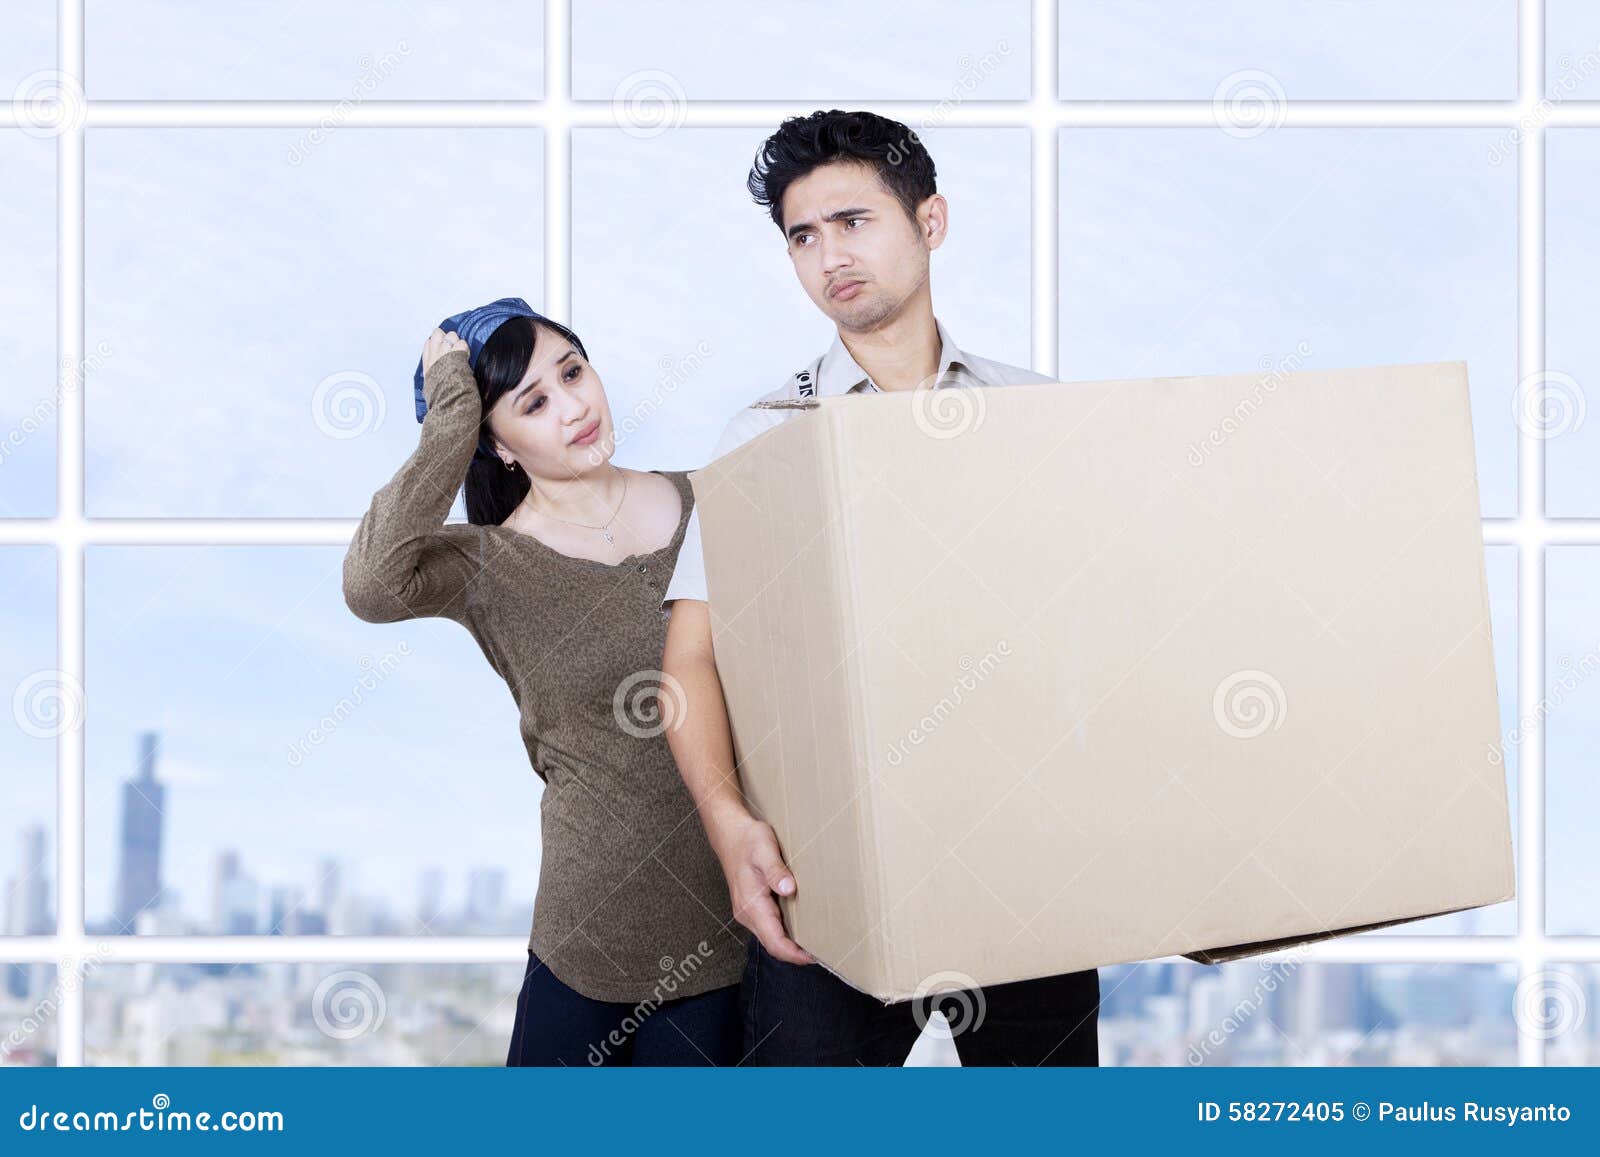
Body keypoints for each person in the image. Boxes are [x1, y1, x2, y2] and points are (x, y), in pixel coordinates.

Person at [659, 111, 1101, 1065]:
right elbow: (690, 657)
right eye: (803, 237)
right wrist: (729, 826)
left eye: (853, 221)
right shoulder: (764, 436)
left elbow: (1103, 625)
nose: (830, 256)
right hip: (826, 868)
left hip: (1025, 855)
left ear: (929, 221)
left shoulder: (1038, 414)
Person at [343, 298, 745, 1065]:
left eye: (573, 372)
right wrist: (452, 413)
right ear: (495, 441)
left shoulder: (712, 501)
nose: (573, 406)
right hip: (580, 949)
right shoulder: (489, 563)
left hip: (725, 942)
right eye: (533, 403)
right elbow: (372, 582)